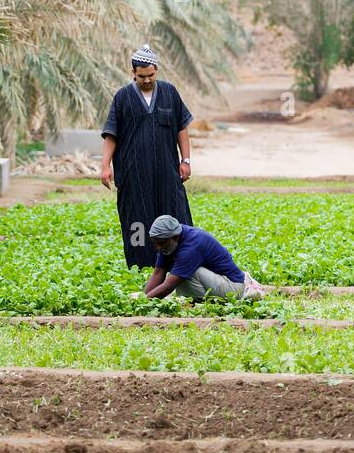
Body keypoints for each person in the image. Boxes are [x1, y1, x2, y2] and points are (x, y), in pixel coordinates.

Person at [101, 44, 193, 268]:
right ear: (133, 73)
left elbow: (181, 127)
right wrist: (105, 166)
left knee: (174, 215)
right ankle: (140, 267)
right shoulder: (123, 97)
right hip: (134, 174)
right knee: (137, 222)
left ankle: (180, 264)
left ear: (157, 71)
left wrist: (186, 160)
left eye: (151, 75)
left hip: (167, 172)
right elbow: (111, 134)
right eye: (141, 76)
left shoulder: (170, 93)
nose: (147, 80)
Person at [142, 213, 266, 303]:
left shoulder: (191, 246)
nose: (158, 247)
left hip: (234, 288)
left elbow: (169, 285)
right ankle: (198, 300)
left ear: (175, 237)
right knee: (181, 271)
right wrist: (143, 297)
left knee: (185, 273)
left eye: (161, 243)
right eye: (155, 243)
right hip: (214, 282)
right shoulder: (168, 241)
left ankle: (200, 302)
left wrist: (143, 302)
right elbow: (158, 273)